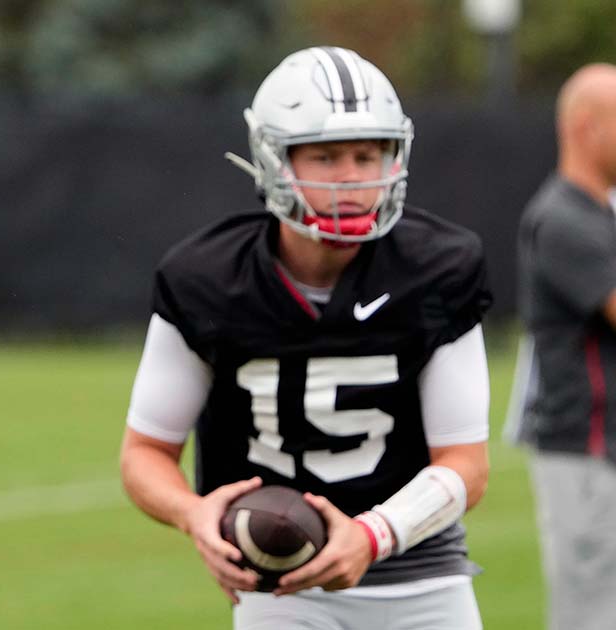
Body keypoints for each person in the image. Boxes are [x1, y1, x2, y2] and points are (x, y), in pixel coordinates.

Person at [119, 46, 492, 629]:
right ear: (273, 160)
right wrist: (192, 513)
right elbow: (144, 454)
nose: (352, 178)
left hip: (420, 576)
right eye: (325, 157)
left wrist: (373, 535)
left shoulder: (437, 267)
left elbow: (467, 463)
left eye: (368, 154)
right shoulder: (205, 279)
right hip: (278, 578)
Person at [517, 63, 616, 630]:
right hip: (584, 451)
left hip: (602, 450)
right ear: (585, 127)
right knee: (592, 617)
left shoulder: (596, 214)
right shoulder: (562, 219)